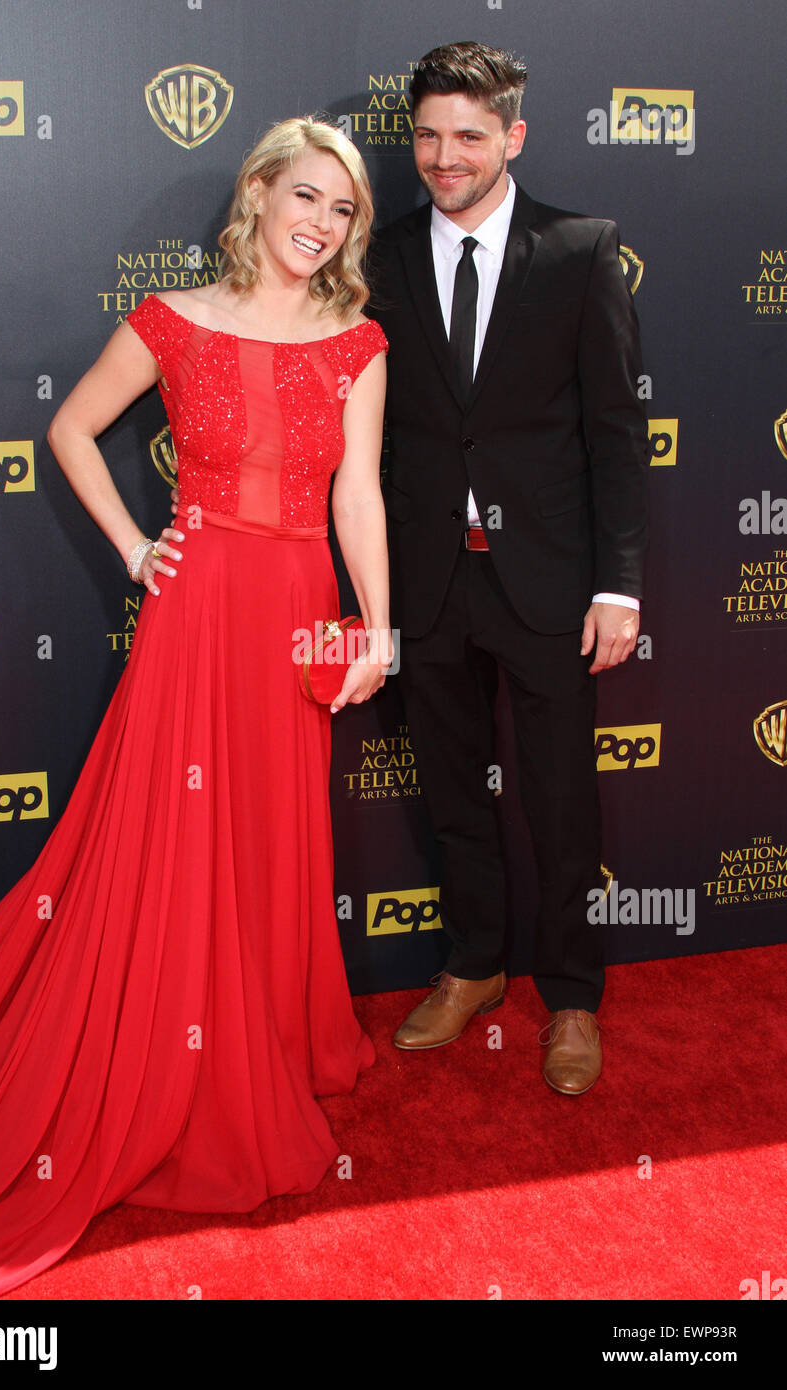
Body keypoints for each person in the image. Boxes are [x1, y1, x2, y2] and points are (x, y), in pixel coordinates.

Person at [0, 115, 390, 1299]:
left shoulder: (359, 338)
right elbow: (71, 427)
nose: (320, 225)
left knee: (273, 836)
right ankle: (188, 1053)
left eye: (343, 211)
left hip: (297, 610)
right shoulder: (177, 319)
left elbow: (360, 492)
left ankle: (268, 1037)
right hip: (198, 603)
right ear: (259, 193)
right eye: (306, 197)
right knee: (180, 838)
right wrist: (134, 547)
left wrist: (375, 625)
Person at [366, 43, 649, 1093]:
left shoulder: (578, 249)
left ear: (512, 137)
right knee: (450, 790)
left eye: (469, 136)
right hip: (425, 571)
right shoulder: (381, 255)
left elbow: (616, 430)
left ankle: (571, 995)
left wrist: (616, 582)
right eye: (429, 136)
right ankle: (474, 964)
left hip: (547, 580)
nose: (445, 157)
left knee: (561, 796)